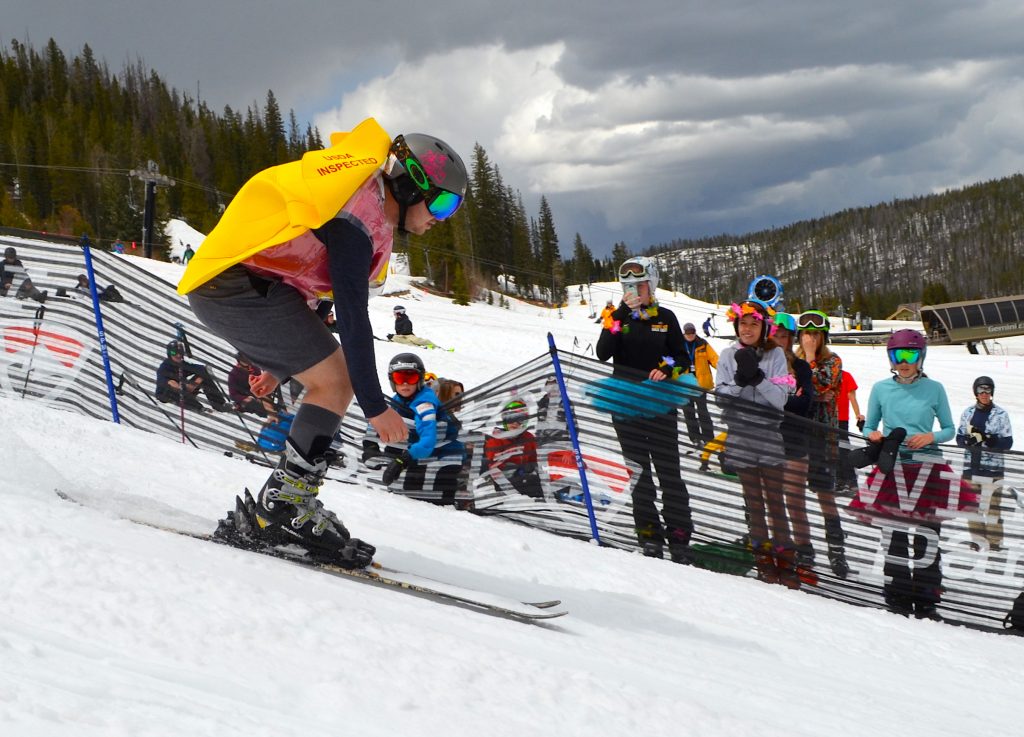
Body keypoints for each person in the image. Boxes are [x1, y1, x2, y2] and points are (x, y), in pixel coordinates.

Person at [179, 119, 468, 568]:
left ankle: (285, 505)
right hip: (234, 285)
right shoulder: (357, 217)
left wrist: (280, 364)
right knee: (336, 382)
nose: (441, 218)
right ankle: (281, 509)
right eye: (444, 203)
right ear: (411, 186)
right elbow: (352, 318)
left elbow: (315, 292)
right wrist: (375, 406)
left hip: (250, 287)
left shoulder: (367, 208)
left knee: (332, 378)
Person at [852, 329, 966, 619]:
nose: (903, 362)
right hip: (894, 467)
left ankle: (926, 596)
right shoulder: (881, 388)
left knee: (928, 536)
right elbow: (868, 426)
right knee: (895, 535)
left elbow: (950, 429)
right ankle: (898, 594)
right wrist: (873, 434)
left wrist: (931, 437)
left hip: (928, 468)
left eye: (910, 355)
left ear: (921, 357)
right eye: (897, 355)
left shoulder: (934, 389)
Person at [596, 256, 694, 563]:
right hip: (625, 404)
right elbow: (602, 354)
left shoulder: (666, 316)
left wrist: (665, 368)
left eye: (639, 284)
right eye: (628, 284)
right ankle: (648, 533)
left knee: (669, 470)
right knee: (638, 470)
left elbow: (682, 359)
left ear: (651, 284)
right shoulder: (616, 318)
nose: (634, 289)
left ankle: (679, 534)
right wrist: (622, 314)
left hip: (660, 402)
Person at [715, 300, 792, 583]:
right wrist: (739, 382)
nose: (747, 329)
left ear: (764, 327)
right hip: (740, 435)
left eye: (754, 324)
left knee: (776, 501)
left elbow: (780, 400)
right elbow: (719, 396)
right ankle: (763, 562)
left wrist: (758, 379)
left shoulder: (776, 356)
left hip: (769, 434)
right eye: (743, 324)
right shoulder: (727, 354)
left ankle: (786, 562)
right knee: (754, 503)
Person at [794, 309, 849, 578]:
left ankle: (837, 552)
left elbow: (823, 386)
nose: (810, 338)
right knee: (794, 494)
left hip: (823, 436)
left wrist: (811, 359)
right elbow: (792, 389)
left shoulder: (833, 360)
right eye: (806, 333)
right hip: (797, 433)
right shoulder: (791, 359)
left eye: (815, 334)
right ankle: (802, 549)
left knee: (825, 495)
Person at [771, 312, 816, 576]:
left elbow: (805, 404)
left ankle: (805, 553)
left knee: (795, 501)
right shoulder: (762, 364)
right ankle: (779, 551)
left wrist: (774, 400)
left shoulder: (799, 367)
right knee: (771, 500)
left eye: (784, 336)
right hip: (767, 438)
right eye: (775, 335)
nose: (779, 340)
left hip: (795, 439)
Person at [955, 376, 1013, 550]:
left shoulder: (1001, 414)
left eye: (988, 390)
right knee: (972, 507)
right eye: (981, 390)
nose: (984, 394)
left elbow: (1008, 442)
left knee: (992, 508)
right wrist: (968, 441)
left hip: (992, 470)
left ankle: (994, 543)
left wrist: (990, 440)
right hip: (971, 469)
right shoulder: (968, 413)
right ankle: (977, 540)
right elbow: (959, 438)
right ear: (976, 393)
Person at [483, 399, 544, 499]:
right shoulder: (496, 440)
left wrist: (532, 468)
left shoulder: (528, 438)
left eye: (520, 419)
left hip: (524, 479)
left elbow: (534, 459)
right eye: (510, 418)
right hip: (503, 482)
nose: (514, 423)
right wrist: (517, 469)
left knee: (540, 482)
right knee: (533, 484)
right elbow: (495, 465)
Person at [155, 340, 231, 413]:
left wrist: (204, 370)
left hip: (184, 391)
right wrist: (173, 384)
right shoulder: (164, 367)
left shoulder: (182, 364)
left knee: (202, 376)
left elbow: (195, 368)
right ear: (169, 353)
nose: (178, 355)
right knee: (173, 385)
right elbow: (161, 381)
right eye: (174, 352)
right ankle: (198, 408)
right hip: (167, 394)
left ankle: (219, 404)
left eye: (180, 352)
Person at [681, 321, 718, 448]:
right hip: (684, 384)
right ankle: (695, 437)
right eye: (688, 333)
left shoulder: (702, 343)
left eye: (692, 332)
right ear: (684, 333)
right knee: (689, 412)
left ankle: (708, 437)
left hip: (700, 384)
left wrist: (724, 369)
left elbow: (714, 358)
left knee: (703, 412)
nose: (690, 335)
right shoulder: (678, 344)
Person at [836, 370, 865, 492]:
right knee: (837, 449)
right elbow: (851, 396)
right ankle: (841, 480)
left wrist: (858, 414)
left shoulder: (845, 376)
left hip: (838, 418)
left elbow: (851, 396)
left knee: (841, 449)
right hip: (831, 418)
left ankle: (849, 480)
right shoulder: (844, 375)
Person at [227, 352, 280, 420]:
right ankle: (270, 415)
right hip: (246, 398)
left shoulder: (255, 368)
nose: (245, 361)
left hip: (257, 392)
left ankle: (274, 412)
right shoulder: (233, 374)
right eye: (243, 360)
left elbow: (260, 381)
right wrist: (245, 398)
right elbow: (233, 395)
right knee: (255, 405)